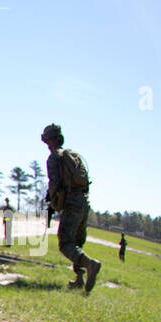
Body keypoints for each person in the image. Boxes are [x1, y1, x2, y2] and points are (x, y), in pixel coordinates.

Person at [41, 123, 101, 293]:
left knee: (66, 243)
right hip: (84, 201)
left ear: (49, 140)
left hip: (72, 204)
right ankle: (79, 279)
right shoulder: (73, 156)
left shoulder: (54, 158)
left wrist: (53, 203)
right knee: (77, 243)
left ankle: (90, 264)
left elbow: (54, 184)